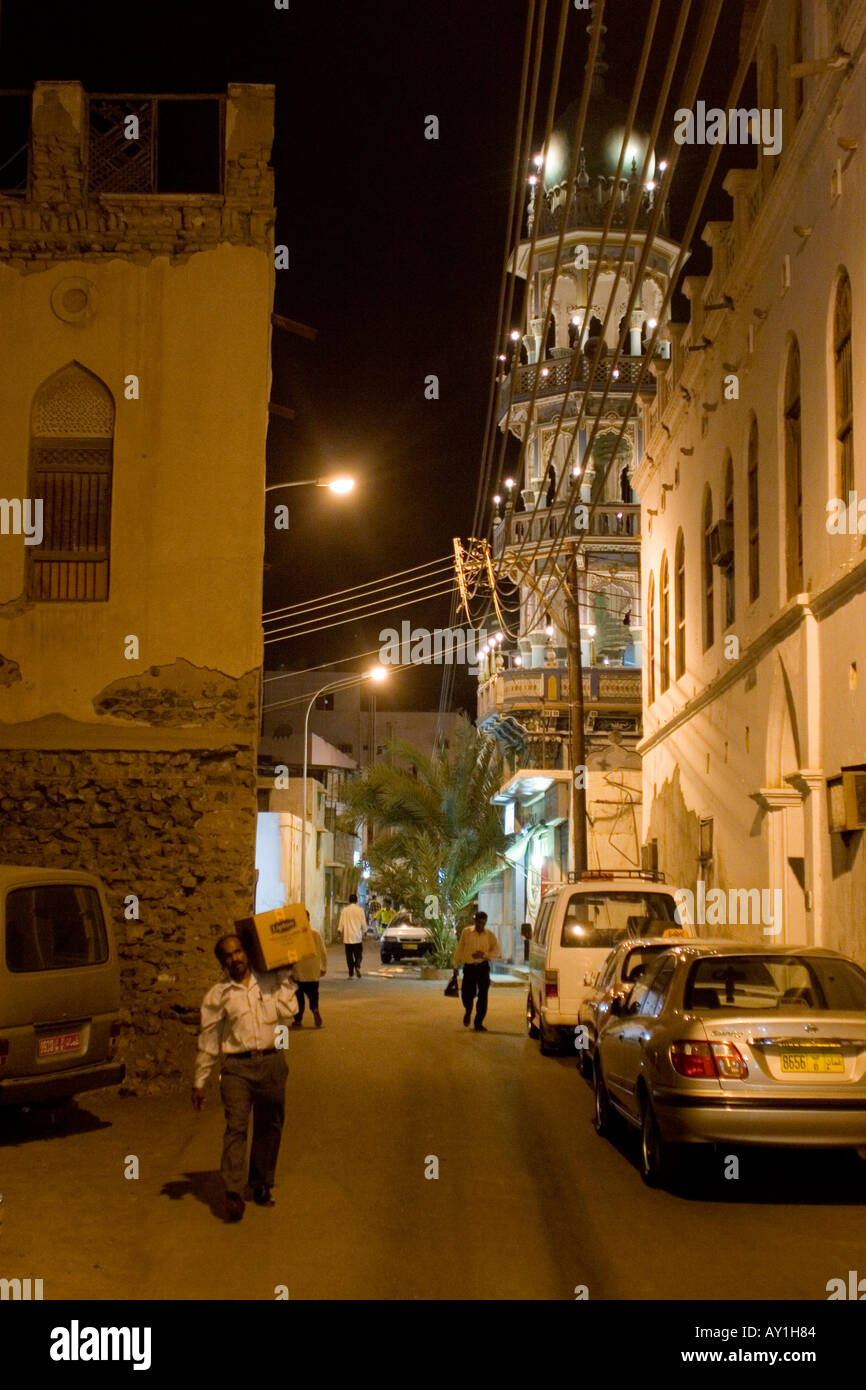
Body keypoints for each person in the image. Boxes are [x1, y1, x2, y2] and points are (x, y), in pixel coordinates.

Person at [192, 933, 298, 1222]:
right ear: (221, 962)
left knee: (270, 1125)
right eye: (227, 955)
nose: (235, 958)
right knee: (236, 1127)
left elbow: (289, 1015)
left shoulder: (270, 982)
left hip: (272, 1061)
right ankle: (233, 1193)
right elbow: (210, 1038)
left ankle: (261, 1183)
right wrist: (200, 1080)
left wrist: (286, 979)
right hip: (237, 1068)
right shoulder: (217, 995)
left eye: (238, 951)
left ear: (247, 953)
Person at [453, 910, 500, 1032]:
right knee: (467, 994)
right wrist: (455, 965)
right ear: (475, 921)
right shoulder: (467, 932)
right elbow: (460, 948)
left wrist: (484, 955)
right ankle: (468, 1010)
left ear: (485, 922)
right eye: (479, 923)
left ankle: (478, 1022)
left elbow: (497, 952)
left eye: (483, 923)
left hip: (483, 967)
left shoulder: (489, 935)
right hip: (469, 968)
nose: (481, 926)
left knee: (483, 995)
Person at [291, 911, 328, 1027]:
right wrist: (324, 967)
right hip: (313, 972)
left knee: (299, 998)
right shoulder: (316, 934)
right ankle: (315, 1009)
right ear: (309, 920)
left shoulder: (293, 935)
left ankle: (298, 1019)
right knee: (313, 995)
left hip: (298, 971)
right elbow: (323, 952)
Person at [338, 892, 367, 977]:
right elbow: (363, 923)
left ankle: (351, 972)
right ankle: (357, 966)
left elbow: (341, 924)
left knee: (349, 956)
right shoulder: (360, 910)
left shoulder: (344, 910)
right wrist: (365, 932)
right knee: (358, 954)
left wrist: (339, 935)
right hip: (357, 937)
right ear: (356, 901)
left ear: (349, 901)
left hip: (347, 937)